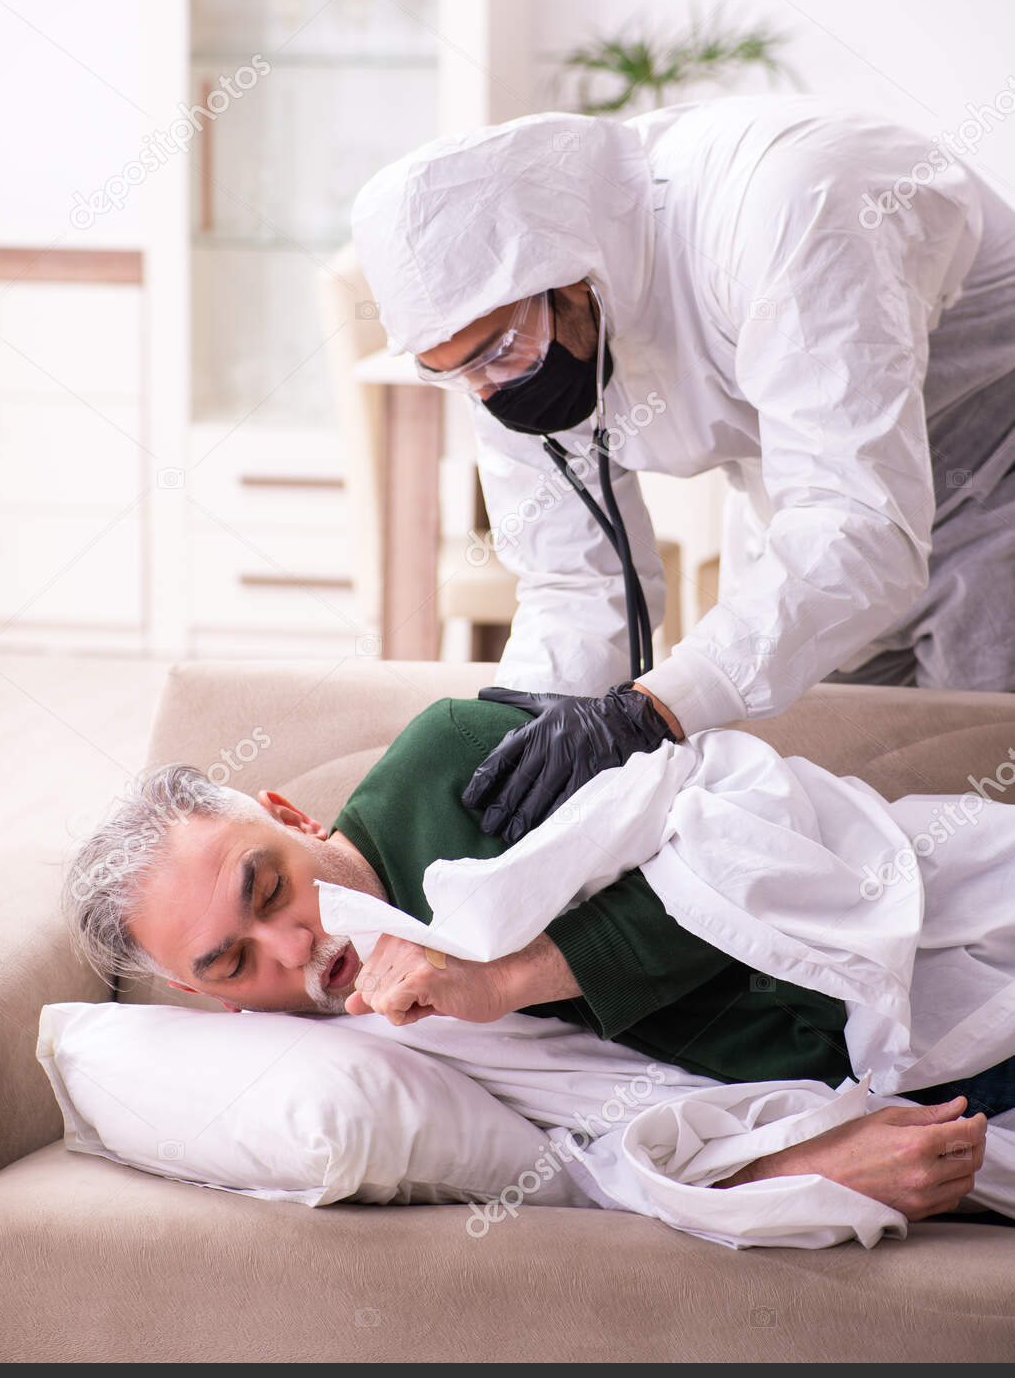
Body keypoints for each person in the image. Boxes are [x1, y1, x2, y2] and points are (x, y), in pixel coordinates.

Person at [63, 695, 1015, 1246]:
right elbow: (584, 1163)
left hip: (948, 945)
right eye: (234, 960)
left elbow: (750, 837)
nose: (291, 946)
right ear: (202, 995)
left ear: (292, 816)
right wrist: (794, 1167)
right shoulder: (360, 1045)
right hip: (929, 1111)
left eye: (270, 887)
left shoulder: (450, 767)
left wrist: (509, 977)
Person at [350, 94, 1015, 841]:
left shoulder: (788, 210)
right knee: (821, 800)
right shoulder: (500, 338)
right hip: (795, 504)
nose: (487, 393)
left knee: (974, 799)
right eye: (455, 374)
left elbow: (859, 524)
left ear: (570, 279)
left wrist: (650, 710)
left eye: (497, 354)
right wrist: (524, 742)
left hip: (990, 472)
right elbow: (575, 581)